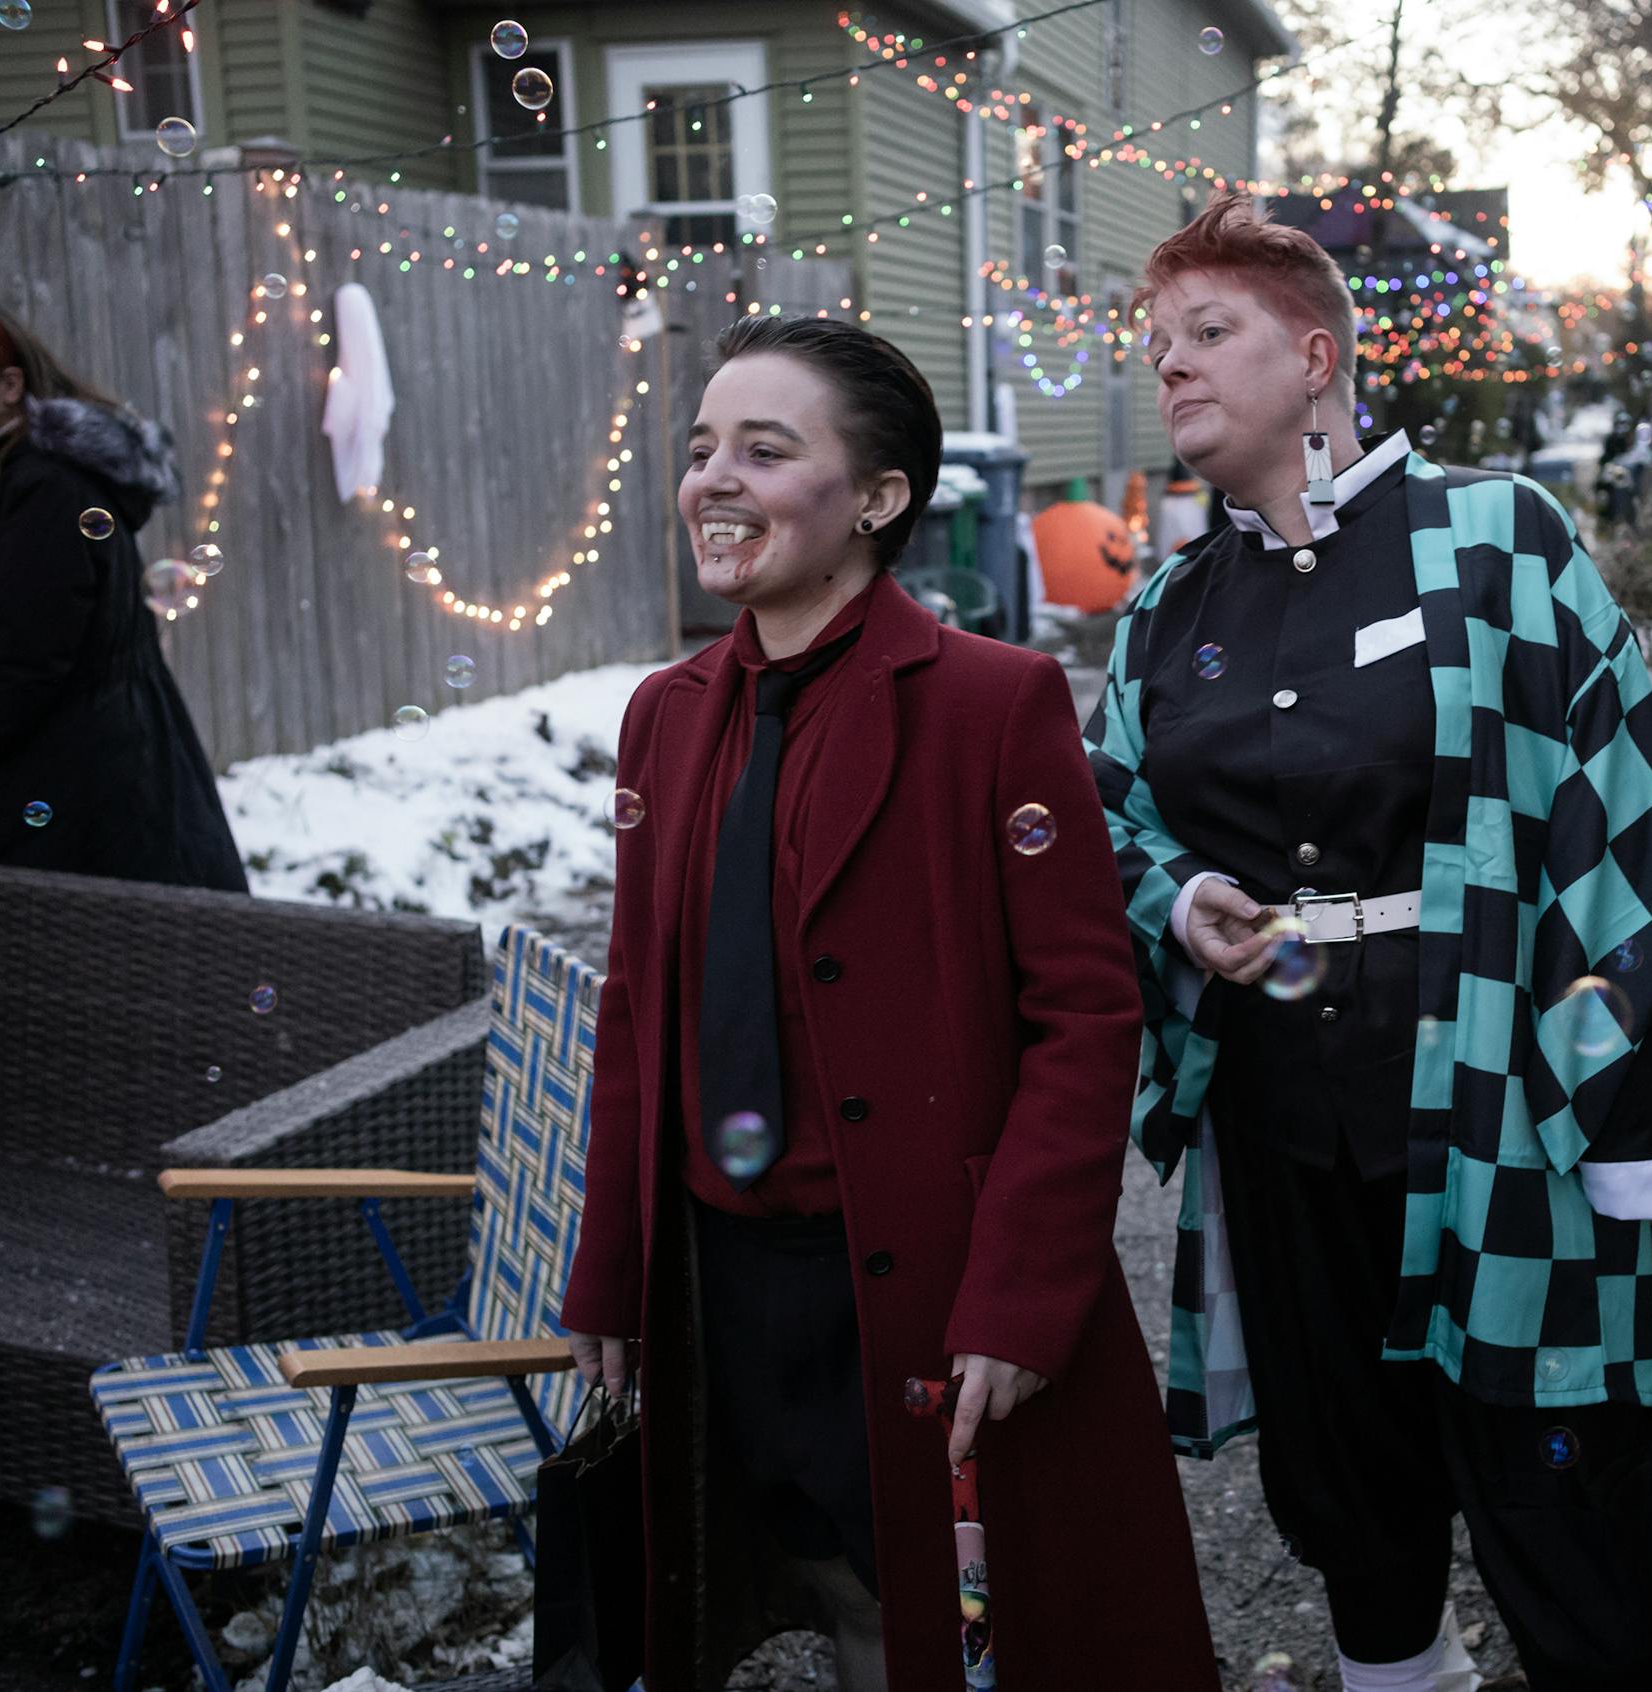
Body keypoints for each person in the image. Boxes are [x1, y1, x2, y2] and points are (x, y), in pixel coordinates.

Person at [1088, 190, 1652, 1692]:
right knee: (1347, 1491)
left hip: (1500, 1116)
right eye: (1156, 343)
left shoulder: (1496, 539)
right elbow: (1108, 818)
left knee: (1556, 1480)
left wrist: (1569, 1095)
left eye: (1209, 333)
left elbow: (1632, 840)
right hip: (1283, 1131)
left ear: (1316, 357)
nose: (1169, 367)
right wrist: (1177, 898)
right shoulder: (1168, 606)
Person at [558, 315, 1214, 1690]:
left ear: (876, 498)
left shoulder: (995, 704)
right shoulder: (666, 718)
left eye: (765, 449)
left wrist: (1022, 1299)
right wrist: (610, 1265)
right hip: (717, 1278)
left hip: (921, 1274)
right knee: (798, 1581)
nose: (713, 480)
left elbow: (1087, 1016)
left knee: (940, 1619)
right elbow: (634, 1010)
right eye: (698, 450)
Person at [0, 297, 246, 892]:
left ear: (9, 385)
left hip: (90, 767)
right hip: (73, 752)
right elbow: (23, 608)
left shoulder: (48, 488)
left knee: (63, 936)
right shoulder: (0, 464)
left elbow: (26, 655)